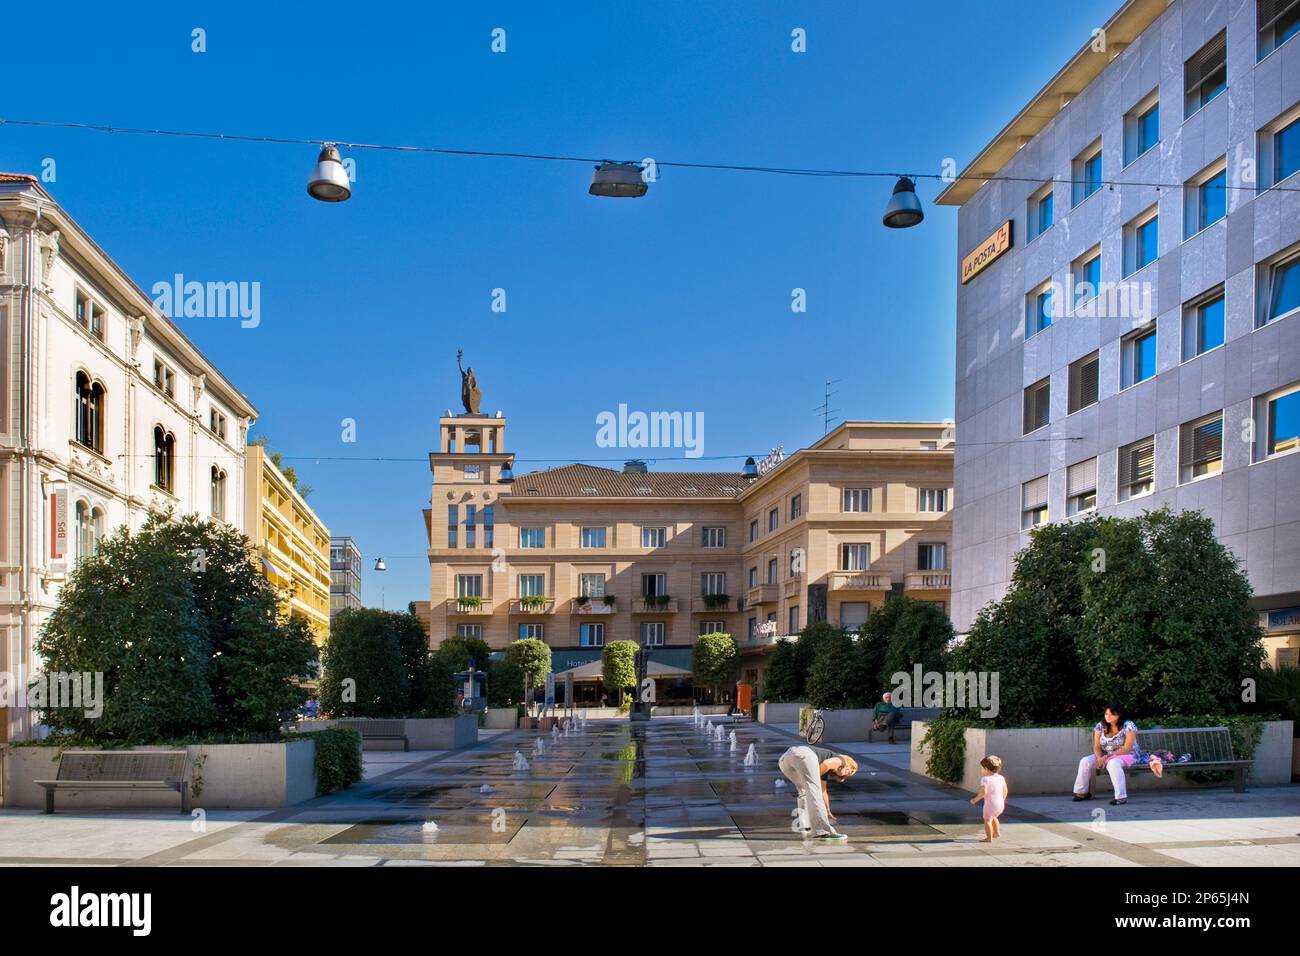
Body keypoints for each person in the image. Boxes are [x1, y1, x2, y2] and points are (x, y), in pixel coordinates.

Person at [777, 744, 858, 843]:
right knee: (813, 789)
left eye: (851, 773)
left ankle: (805, 825)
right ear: (848, 763)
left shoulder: (824, 773)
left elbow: (823, 792)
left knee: (804, 791)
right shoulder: (840, 760)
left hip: (785, 759)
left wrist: (828, 810)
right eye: (851, 768)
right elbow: (827, 764)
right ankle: (823, 831)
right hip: (804, 755)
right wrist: (813, 778)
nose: (849, 772)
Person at [1072, 704, 1147, 806]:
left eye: (1112, 714)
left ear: (1119, 715)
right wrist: (1099, 758)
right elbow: (1097, 746)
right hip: (1104, 754)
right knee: (1085, 761)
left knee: (1113, 763)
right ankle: (1081, 793)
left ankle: (1121, 797)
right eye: (1106, 713)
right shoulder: (1100, 726)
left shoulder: (1129, 725)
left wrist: (1106, 757)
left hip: (1128, 755)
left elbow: (1126, 749)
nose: (1108, 716)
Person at [970, 755, 1008, 842]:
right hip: (1000, 803)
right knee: (994, 817)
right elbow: (1005, 790)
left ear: (986, 769)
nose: (981, 770)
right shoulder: (1001, 778)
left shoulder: (985, 779)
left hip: (990, 804)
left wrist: (975, 799)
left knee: (987, 820)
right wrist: (1002, 799)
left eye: (981, 768)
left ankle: (989, 838)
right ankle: (997, 833)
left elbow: (983, 792)